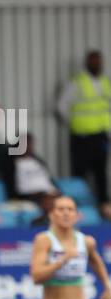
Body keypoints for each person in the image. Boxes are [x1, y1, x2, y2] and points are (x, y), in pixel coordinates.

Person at [57, 50, 111, 219]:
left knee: (101, 174)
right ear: (87, 63)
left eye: (98, 61)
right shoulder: (77, 82)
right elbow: (62, 106)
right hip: (81, 136)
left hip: (100, 135)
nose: (96, 64)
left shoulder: (105, 82)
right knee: (80, 174)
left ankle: (104, 209)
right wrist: (74, 123)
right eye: (93, 61)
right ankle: (76, 210)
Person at [12, 133, 57, 206]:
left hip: (48, 193)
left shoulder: (38, 161)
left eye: (30, 144)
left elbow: (49, 179)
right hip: (30, 196)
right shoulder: (13, 163)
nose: (29, 146)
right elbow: (15, 188)